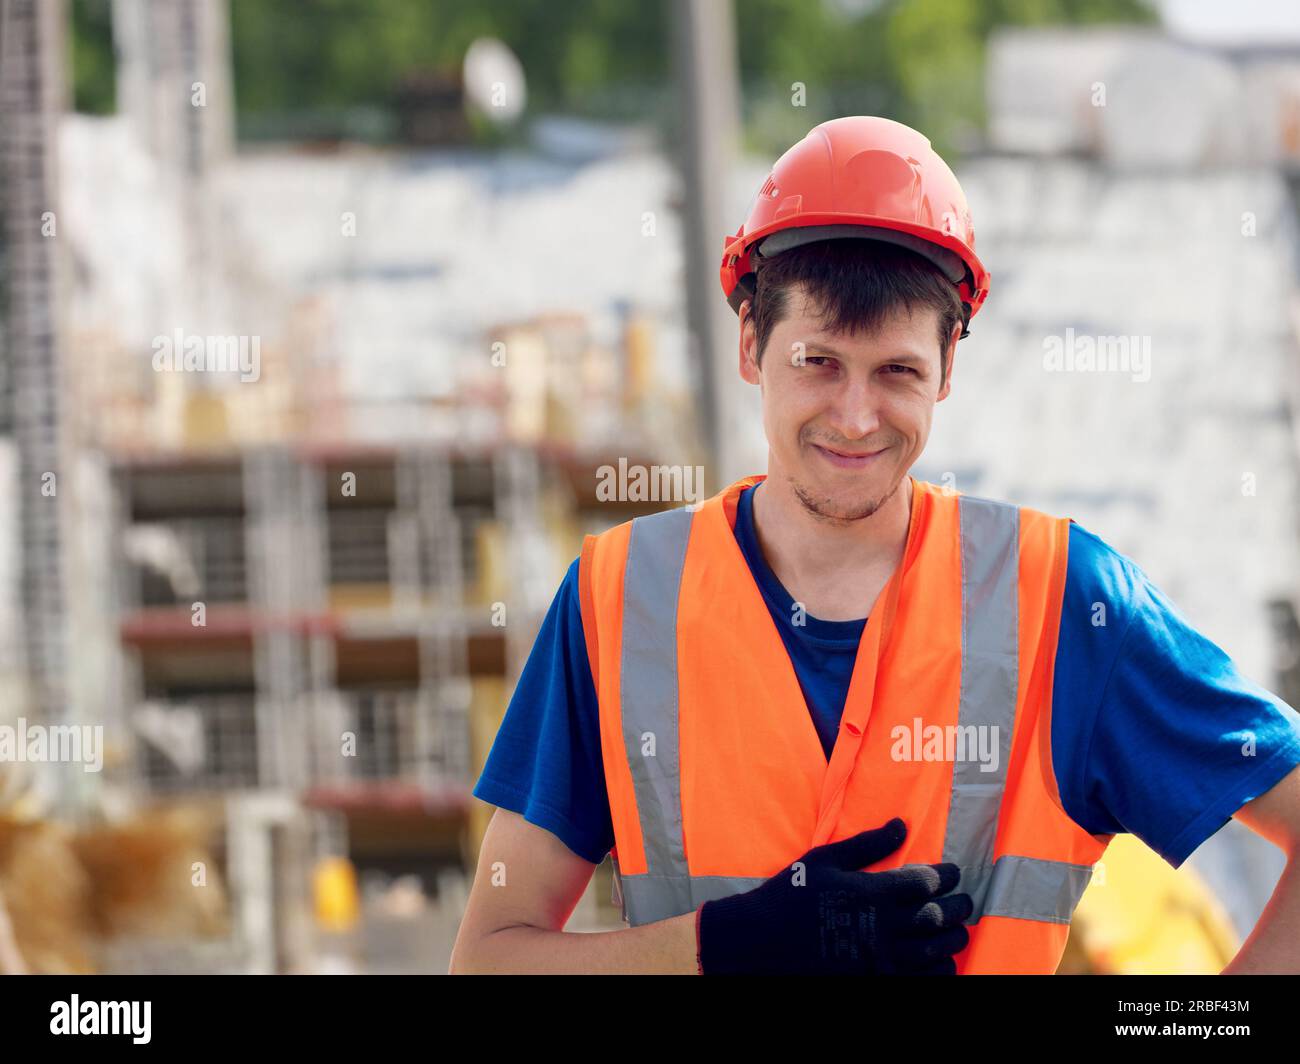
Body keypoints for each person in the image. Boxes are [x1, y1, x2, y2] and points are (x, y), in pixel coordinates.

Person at [449, 116, 1300, 975]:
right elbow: (487, 962)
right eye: (819, 362)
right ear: (751, 344)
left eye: (897, 372)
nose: (855, 417)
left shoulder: (1062, 601)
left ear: (948, 372)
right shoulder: (618, 601)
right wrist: (722, 944)